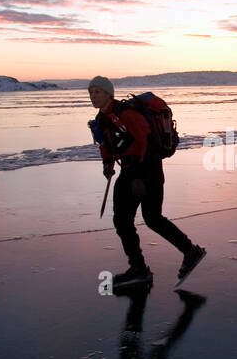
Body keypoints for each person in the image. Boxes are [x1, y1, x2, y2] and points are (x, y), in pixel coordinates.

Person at [88, 76, 205, 288]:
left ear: (108, 93)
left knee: (152, 218)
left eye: (97, 91)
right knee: (123, 221)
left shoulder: (126, 113)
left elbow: (146, 141)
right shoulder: (102, 118)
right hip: (130, 170)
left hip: (147, 169)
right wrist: (107, 164)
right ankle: (139, 269)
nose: (93, 96)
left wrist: (140, 177)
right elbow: (105, 144)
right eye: (91, 92)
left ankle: (190, 252)